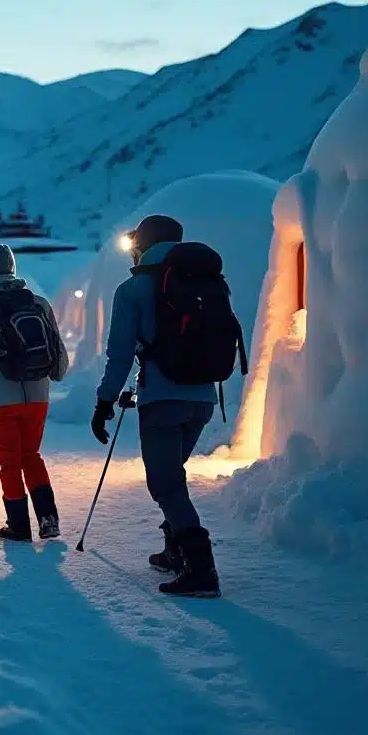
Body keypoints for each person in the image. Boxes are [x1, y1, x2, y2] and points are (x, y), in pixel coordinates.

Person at [93, 214, 221, 597]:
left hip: (162, 401)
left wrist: (104, 402)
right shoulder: (206, 281)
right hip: (203, 398)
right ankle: (175, 551)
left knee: (165, 483)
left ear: (142, 243)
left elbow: (119, 355)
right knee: (173, 476)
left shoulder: (133, 289)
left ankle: (202, 570)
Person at [0, 243, 68, 542]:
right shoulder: (40, 303)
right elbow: (59, 353)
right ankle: (48, 518)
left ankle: (18, 525)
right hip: (39, 395)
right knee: (31, 455)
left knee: (9, 462)